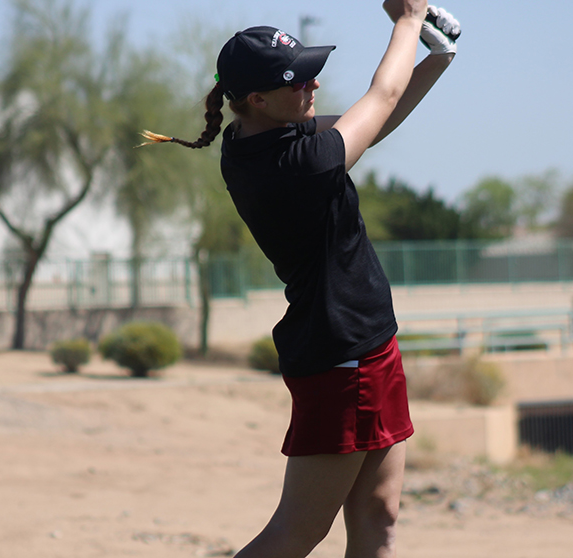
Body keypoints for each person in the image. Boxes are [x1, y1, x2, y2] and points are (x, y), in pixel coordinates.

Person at [141, 2, 460, 556]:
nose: (314, 84)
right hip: (343, 358)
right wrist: (408, 20)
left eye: (311, 70)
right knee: (296, 533)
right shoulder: (300, 163)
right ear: (258, 99)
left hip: (364, 344)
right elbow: (378, 100)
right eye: (298, 80)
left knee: (379, 520)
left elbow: (375, 120)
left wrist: (438, 54)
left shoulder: (259, 138)